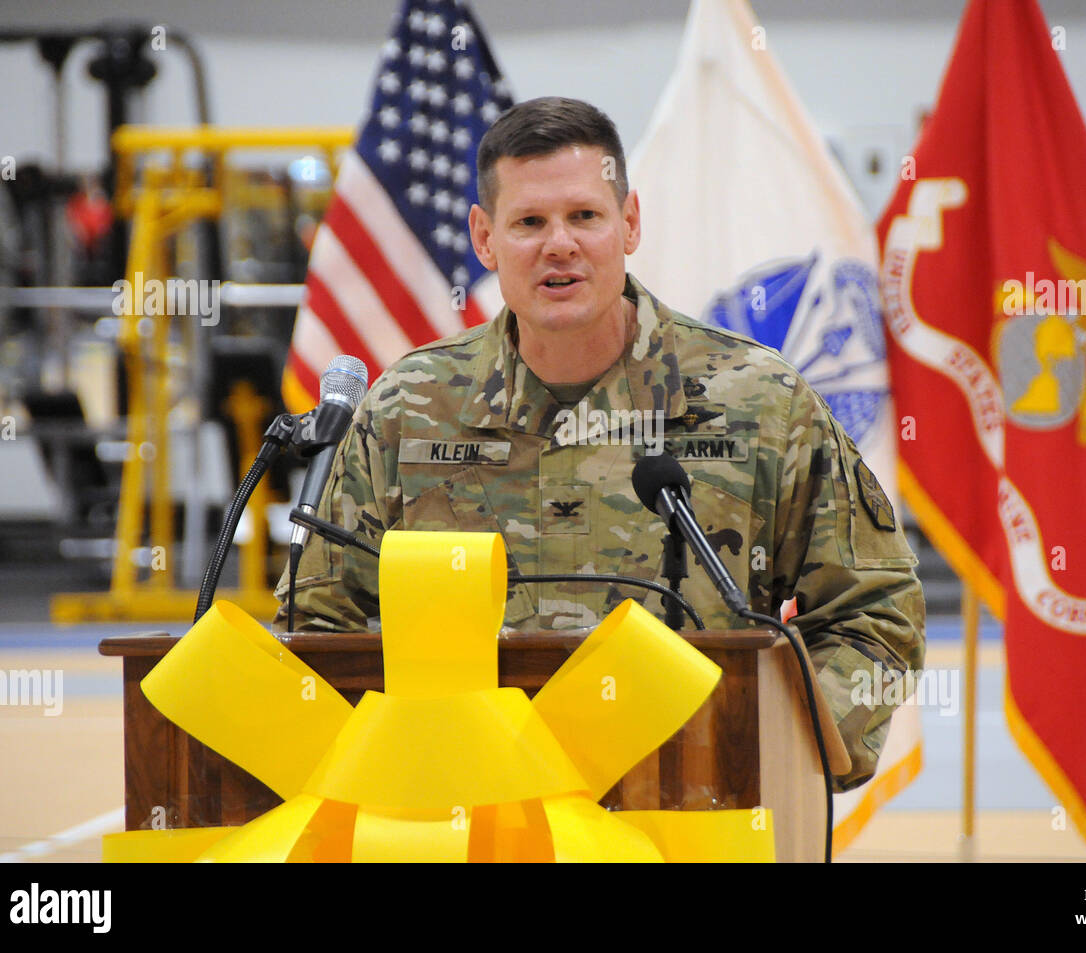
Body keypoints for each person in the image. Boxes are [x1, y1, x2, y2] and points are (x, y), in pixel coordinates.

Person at [275, 97, 925, 791]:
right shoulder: (411, 408)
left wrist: (788, 741)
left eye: (584, 216)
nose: (560, 244)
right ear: (485, 238)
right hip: (472, 820)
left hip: (693, 819)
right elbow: (315, 625)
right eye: (529, 222)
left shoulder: (759, 401)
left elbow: (875, 609)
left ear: (630, 222)